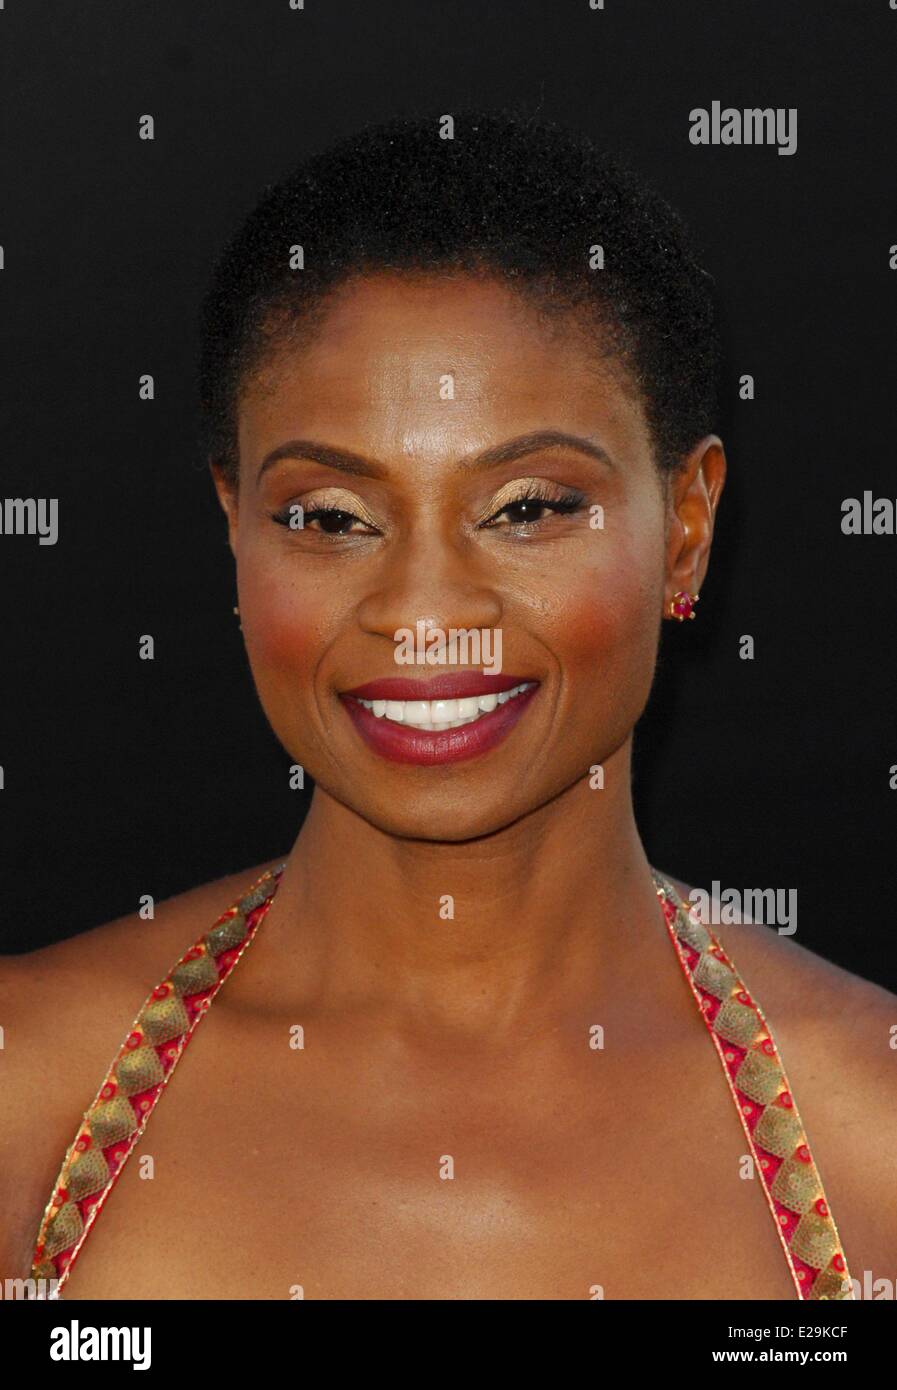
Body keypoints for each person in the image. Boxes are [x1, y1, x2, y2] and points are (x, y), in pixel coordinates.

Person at [1, 110, 895, 1301]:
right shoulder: (25, 1099)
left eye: (528, 507)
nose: (426, 612)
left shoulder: (874, 1139)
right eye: (329, 517)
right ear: (234, 529)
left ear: (687, 529)